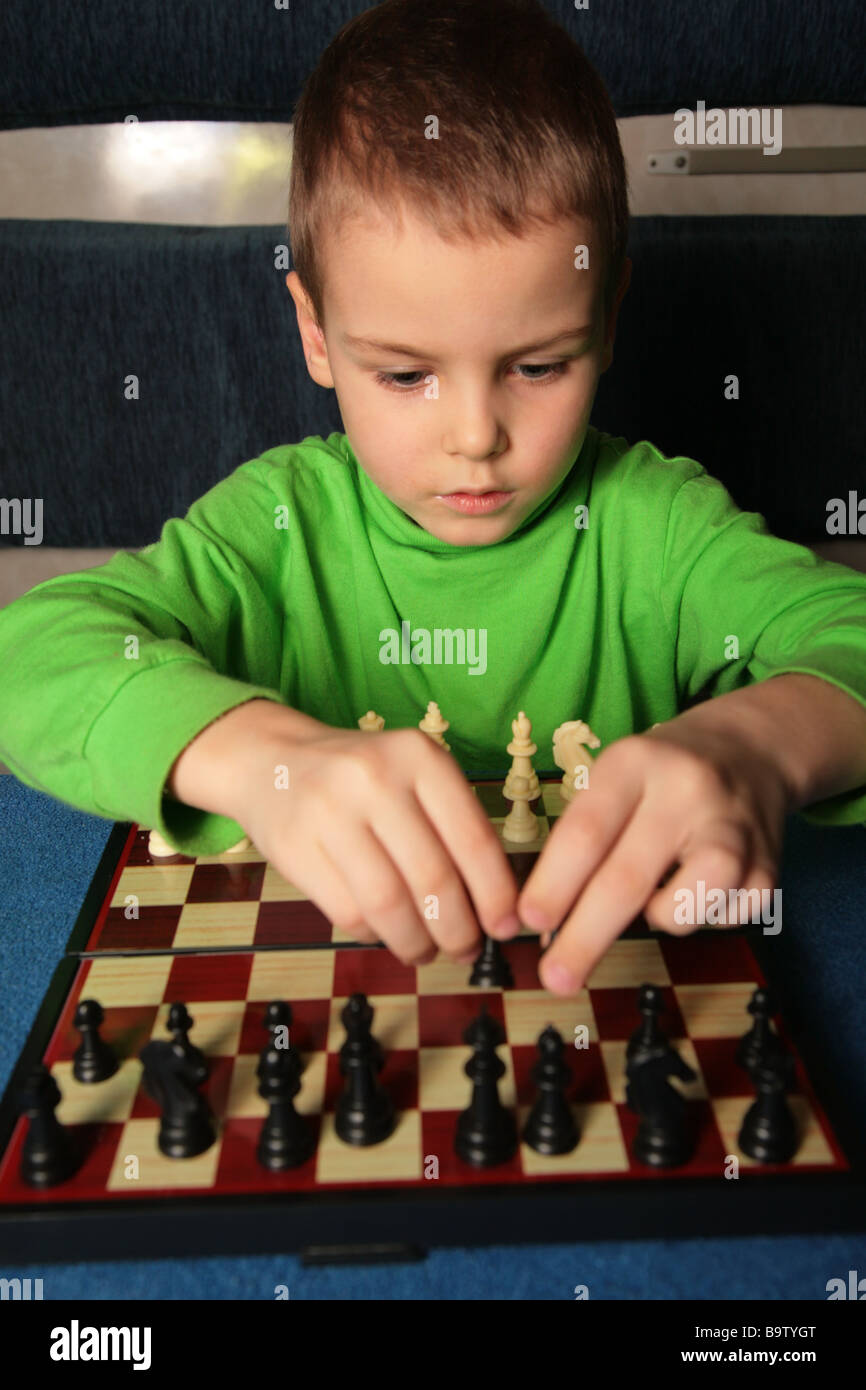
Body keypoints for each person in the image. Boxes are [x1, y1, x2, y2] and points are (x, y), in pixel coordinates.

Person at [1, 0, 865, 997]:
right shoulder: (280, 524)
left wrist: (750, 749)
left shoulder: (657, 526)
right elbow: (30, 654)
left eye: (537, 365)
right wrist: (258, 759)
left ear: (605, 316)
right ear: (316, 333)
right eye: (404, 375)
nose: (473, 436)